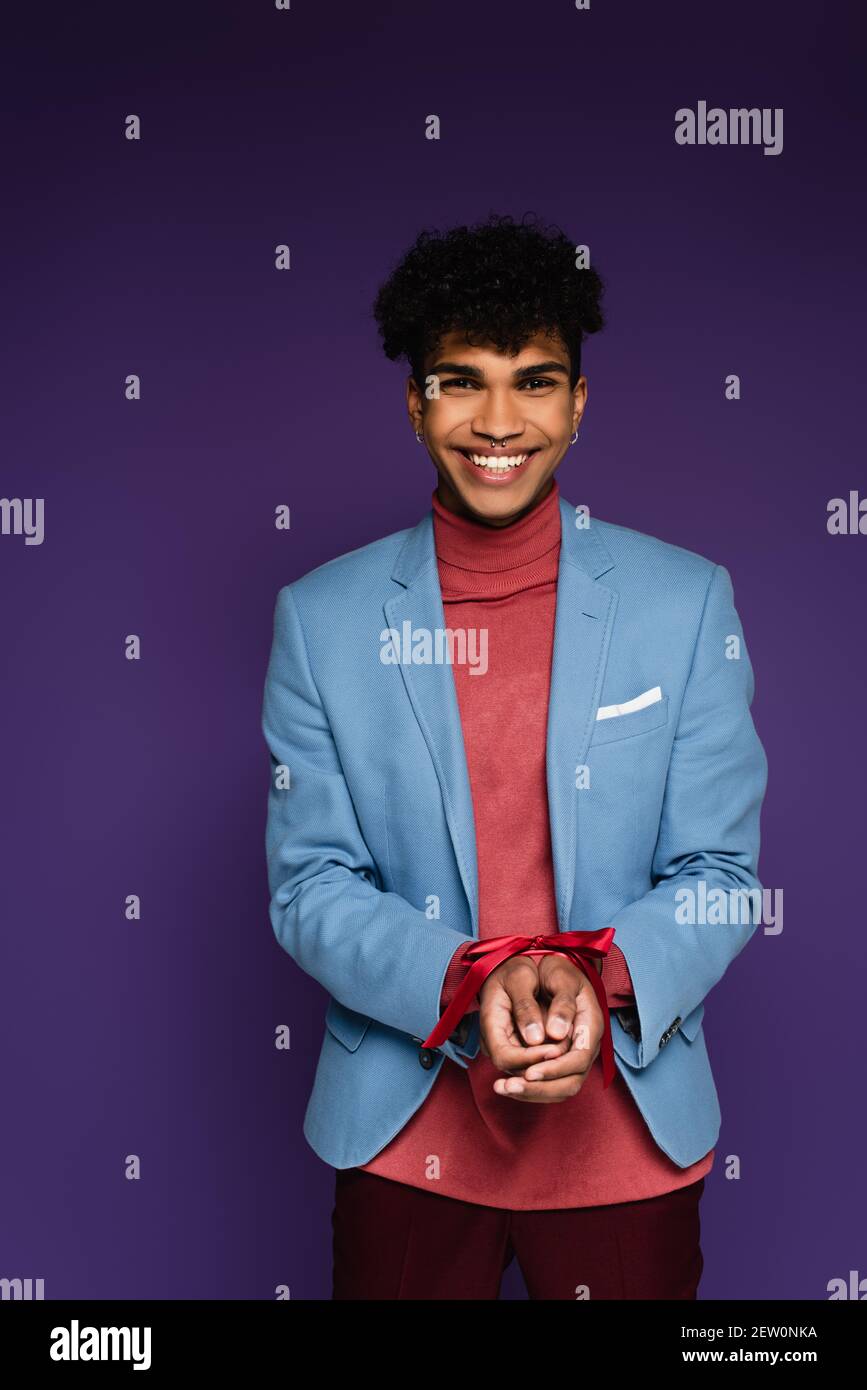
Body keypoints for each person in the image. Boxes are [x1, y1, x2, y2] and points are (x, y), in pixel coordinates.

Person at [260, 212, 768, 1300]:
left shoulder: (688, 603)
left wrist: (600, 980)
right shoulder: (321, 618)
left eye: (535, 381)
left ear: (580, 404)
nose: (498, 420)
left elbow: (724, 882)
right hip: (404, 1141)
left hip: (625, 1144)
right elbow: (310, 888)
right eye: (461, 381)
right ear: (416, 399)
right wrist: (465, 981)